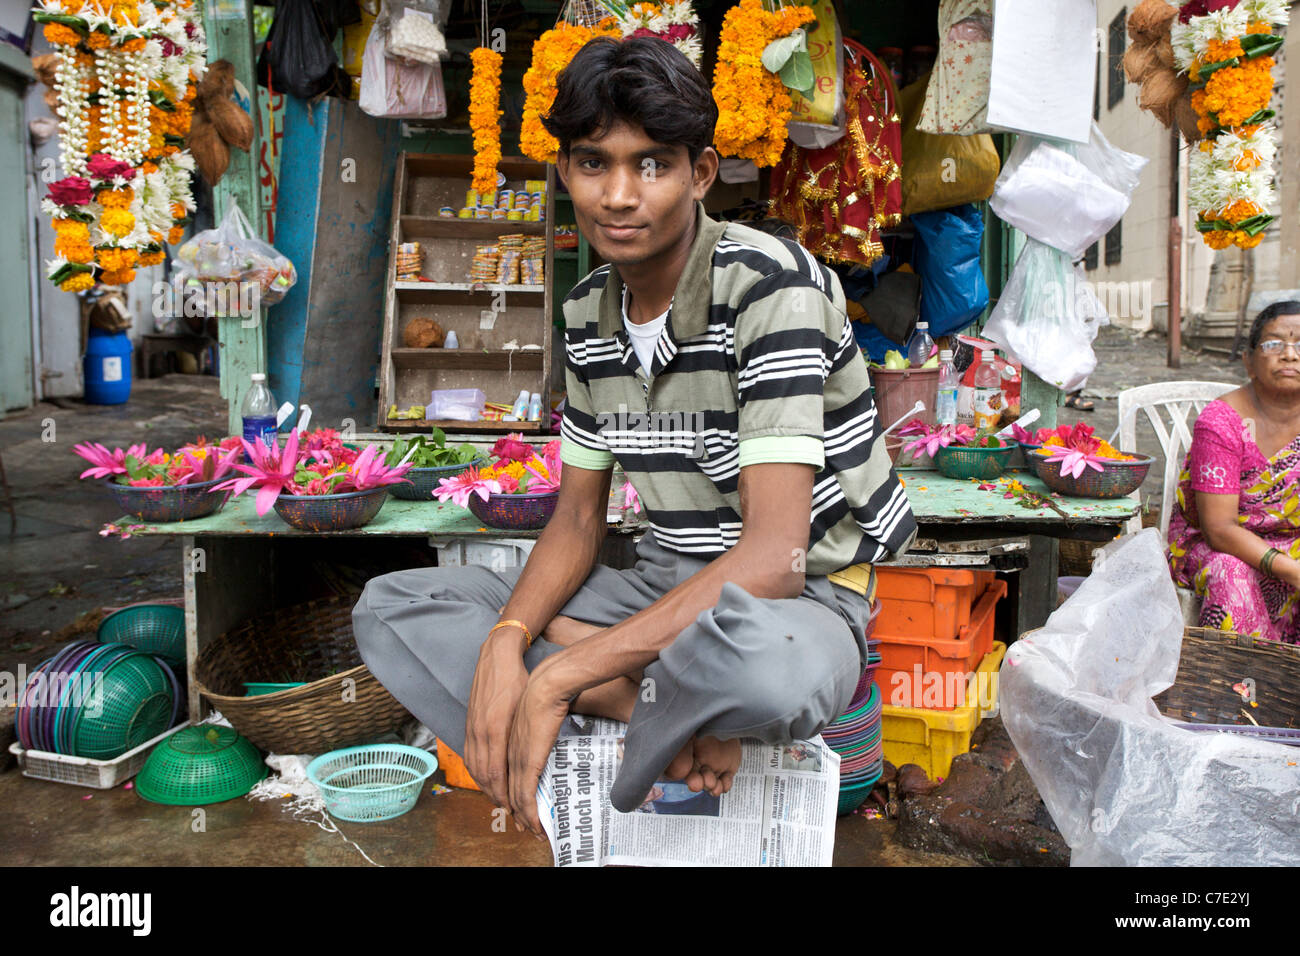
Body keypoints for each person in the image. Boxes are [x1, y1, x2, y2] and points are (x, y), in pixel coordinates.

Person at [351, 36, 917, 835]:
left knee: (772, 672)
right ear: (564, 173)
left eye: (651, 164)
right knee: (393, 607)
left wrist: (555, 673)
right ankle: (661, 703)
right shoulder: (587, 314)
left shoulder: (769, 289)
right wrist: (506, 639)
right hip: (660, 583)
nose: (620, 194)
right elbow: (579, 519)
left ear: (702, 172)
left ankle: (624, 673)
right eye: (593, 163)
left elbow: (774, 557)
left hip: (797, 596)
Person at [1167, 301, 1300, 643]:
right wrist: (1289, 568)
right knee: (1231, 571)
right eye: (1273, 344)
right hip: (1219, 547)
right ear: (1249, 360)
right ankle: (1249, 686)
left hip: (1293, 544)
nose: (1289, 354)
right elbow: (1219, 529)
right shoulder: (1221, 422)